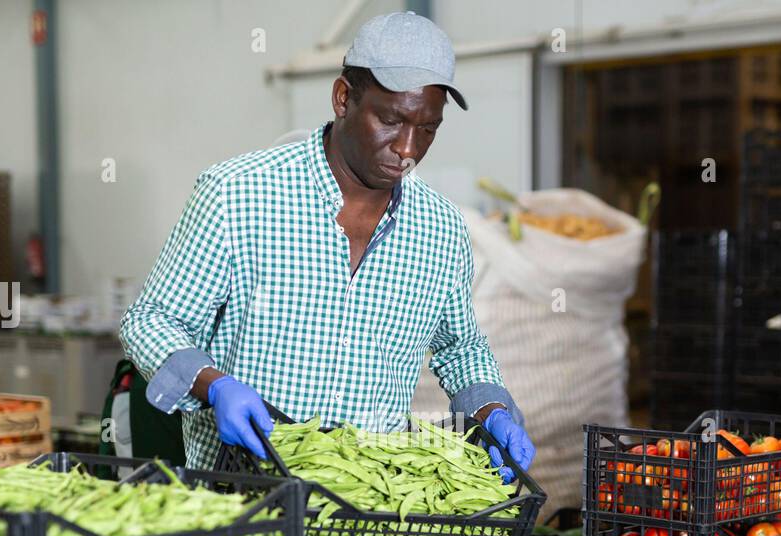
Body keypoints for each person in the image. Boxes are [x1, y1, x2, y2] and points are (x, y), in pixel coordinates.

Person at [119, 11, 534, 485]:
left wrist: (491, 406)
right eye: (392, 120)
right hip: (242, 494)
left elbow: (460, 347)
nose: (407, 148)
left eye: (428, 129)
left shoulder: (441, 228)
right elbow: (152, 320)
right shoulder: (238, 194)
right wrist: (215, 387)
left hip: (367, 513)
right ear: (343, 98)